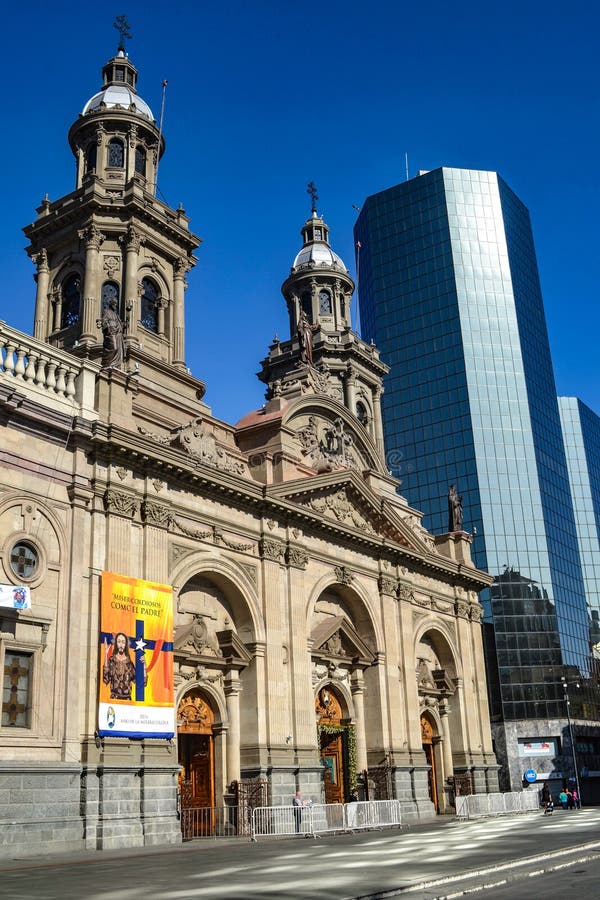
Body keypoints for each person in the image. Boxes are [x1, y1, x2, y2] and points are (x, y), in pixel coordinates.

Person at [103, 632, 144, 700]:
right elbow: (106, 679)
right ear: (116, 643)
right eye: (119, 642)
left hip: (127, 701)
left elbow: (139, 682)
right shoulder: (111, 661)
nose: (121, 645)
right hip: (114, 699)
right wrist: (106, 654)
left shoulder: (130, 663)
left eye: (123, 642)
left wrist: (144, 666)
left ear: (126, 645)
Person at [97, 297, 125, 370]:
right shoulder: (107, 312)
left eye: (116, 304)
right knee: (114, 348)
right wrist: (110, 326)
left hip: (118, 335)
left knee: (118, 350)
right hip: (111, 333)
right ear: (111, 304)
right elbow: (104, 322)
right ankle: (107, 364)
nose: (115, 305)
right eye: (114, 304)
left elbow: (121, 325)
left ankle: (115, 365)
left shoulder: (116, 315)